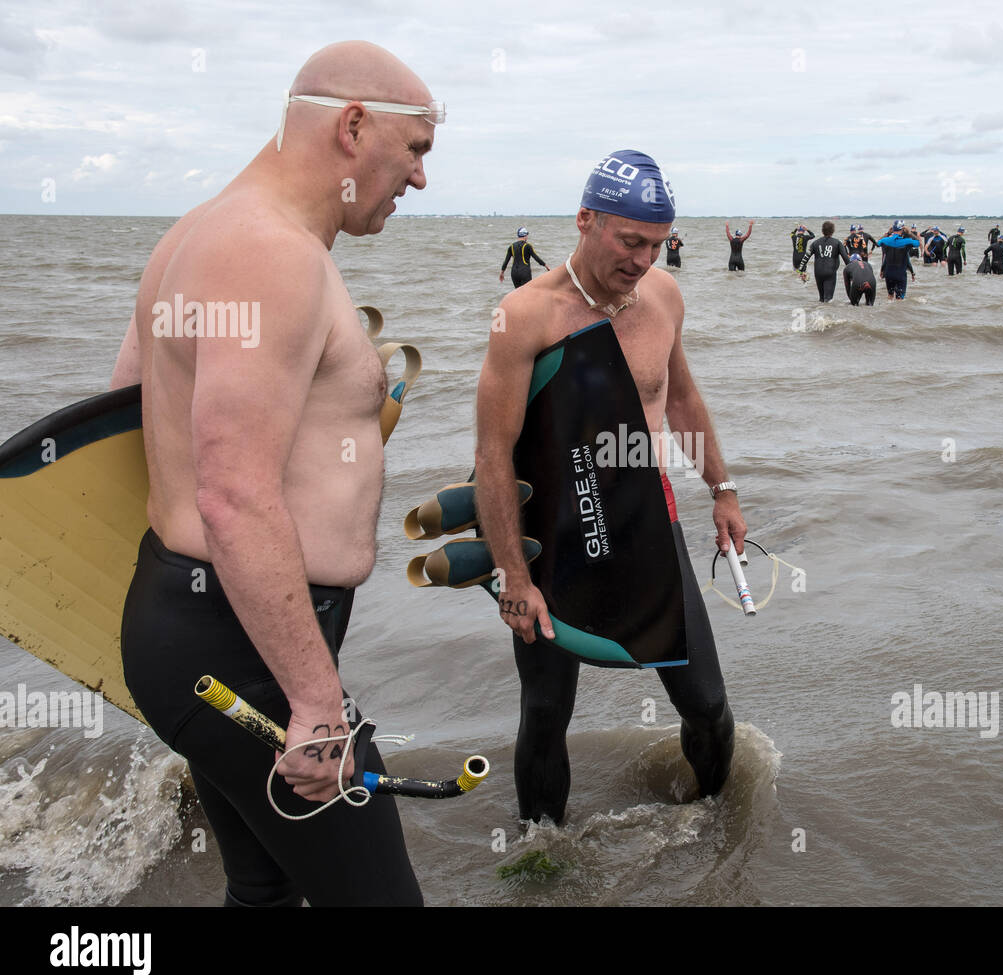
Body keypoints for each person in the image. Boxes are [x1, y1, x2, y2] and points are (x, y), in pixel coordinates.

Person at [106, 41, 435, 907]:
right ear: (354, 126)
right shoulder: (273, 255)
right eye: (418, 150)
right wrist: (319, 707)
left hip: (193, 624)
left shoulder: (197, 232)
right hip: (236, 650)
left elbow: (125, 412)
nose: (421, 179)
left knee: (263, 887)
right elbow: (232, 492)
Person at [474, 150, 740, 825]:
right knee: (545, 710)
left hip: (647, 520)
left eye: (657, 244)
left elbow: (680, 400)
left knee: (706, 704)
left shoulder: (663, 297)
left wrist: (724, 488)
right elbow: (493, 454)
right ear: (585, 219)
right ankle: (540, 856)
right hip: (552, 539)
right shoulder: (526, 316)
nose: (644, 259)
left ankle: (713, 833)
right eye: (630, 241)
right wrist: (511, 571)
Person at [799, 220, 851, 302]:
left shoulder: (815, 243)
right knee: (828, 300)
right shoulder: (837, 243)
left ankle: (819, 313)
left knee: (821, 298)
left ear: (822, 231)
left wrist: (801, 271)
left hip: (818, 273)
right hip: (830, 273)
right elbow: (847, 260)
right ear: (833, 231)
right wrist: (853, 273)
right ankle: (827, 314)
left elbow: (805, 258)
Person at [878, 223, 919, 299]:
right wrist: (909, 233)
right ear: (902, 230)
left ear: (893, 230)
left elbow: (878, 242)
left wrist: (887, 233)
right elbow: (917, 243)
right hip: (900, 274)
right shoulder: (907, 241)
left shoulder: (885, 241)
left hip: (888, 274)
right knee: (899, 298)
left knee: (890, 296)